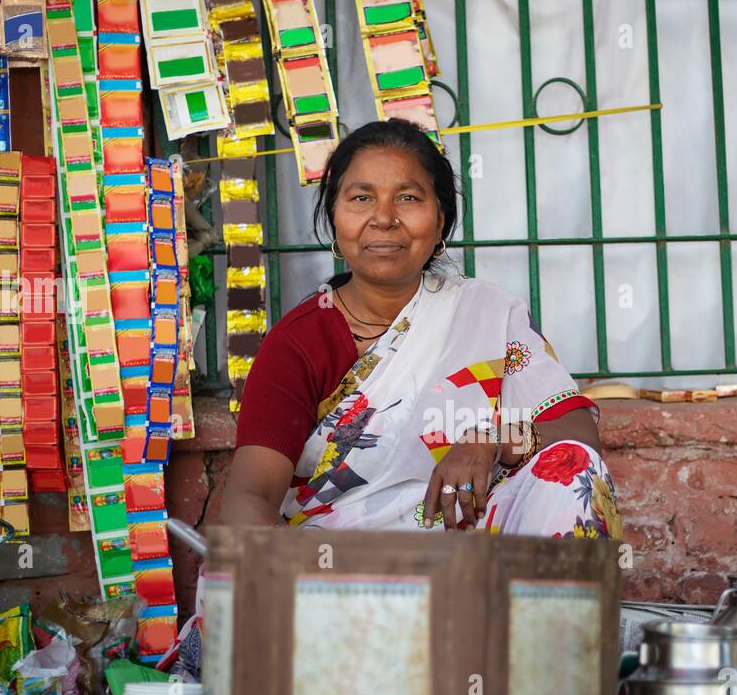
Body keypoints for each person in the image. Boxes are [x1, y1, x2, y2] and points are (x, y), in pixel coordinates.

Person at [220, 118, 622, 540]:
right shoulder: (300, 342)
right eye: (361, 198)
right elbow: (249, 497)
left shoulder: (490, 315)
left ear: (440, 222)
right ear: (335, 218)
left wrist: (489, 442)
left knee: (574, 472)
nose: (384, 218)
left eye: (408, 198)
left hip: (476, 546)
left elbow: (577, 436)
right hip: (341, 559)